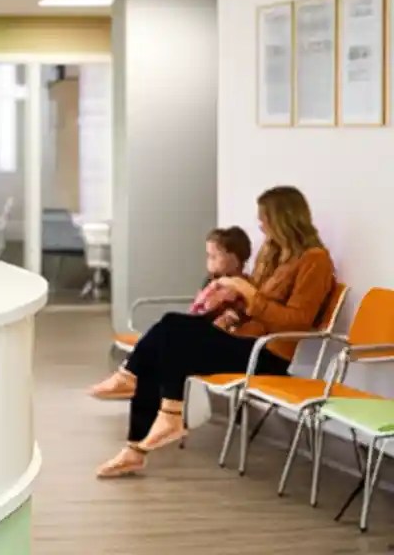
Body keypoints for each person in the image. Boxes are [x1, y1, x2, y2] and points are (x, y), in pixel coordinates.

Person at [92, 186, 335, 478]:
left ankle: (143, 410)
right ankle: (148, 429)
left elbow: (296, 322)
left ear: (284, 219)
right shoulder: (273, 252)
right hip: (241, 338)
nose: (260, 225)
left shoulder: (315, 260)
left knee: (170, 334)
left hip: (266, 354)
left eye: (265, 219)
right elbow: (252, 301)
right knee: (168, 336)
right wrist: (233, 311)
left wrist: (248, 294)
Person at [90, 225, 255, 401]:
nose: (209, 261)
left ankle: (131, 378)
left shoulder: (239, 286)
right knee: (166, 328)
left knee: (169, 327)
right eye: (208, 256)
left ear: (236, 259)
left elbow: (235, 314)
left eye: (215, 256)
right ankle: (131, 377)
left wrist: (225, 316)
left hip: (214, 334)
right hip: (198, 328)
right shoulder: (211, 282)